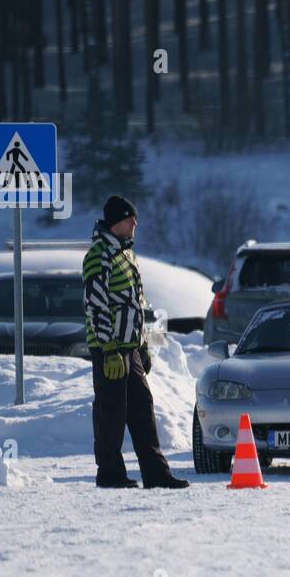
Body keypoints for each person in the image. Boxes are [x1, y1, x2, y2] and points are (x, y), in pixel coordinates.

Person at [83, 195, 189, 489]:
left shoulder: (128, 255)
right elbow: (96, 305)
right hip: (110, 349)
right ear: (117, 222)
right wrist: (108, 348)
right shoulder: (98, 255)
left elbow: (138, 304)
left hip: (131, 348)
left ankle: (156, 474)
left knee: (143, 409)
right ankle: (110, 473)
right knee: (111, 412)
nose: (135, 224)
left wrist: (144, 345)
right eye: (130, 219)